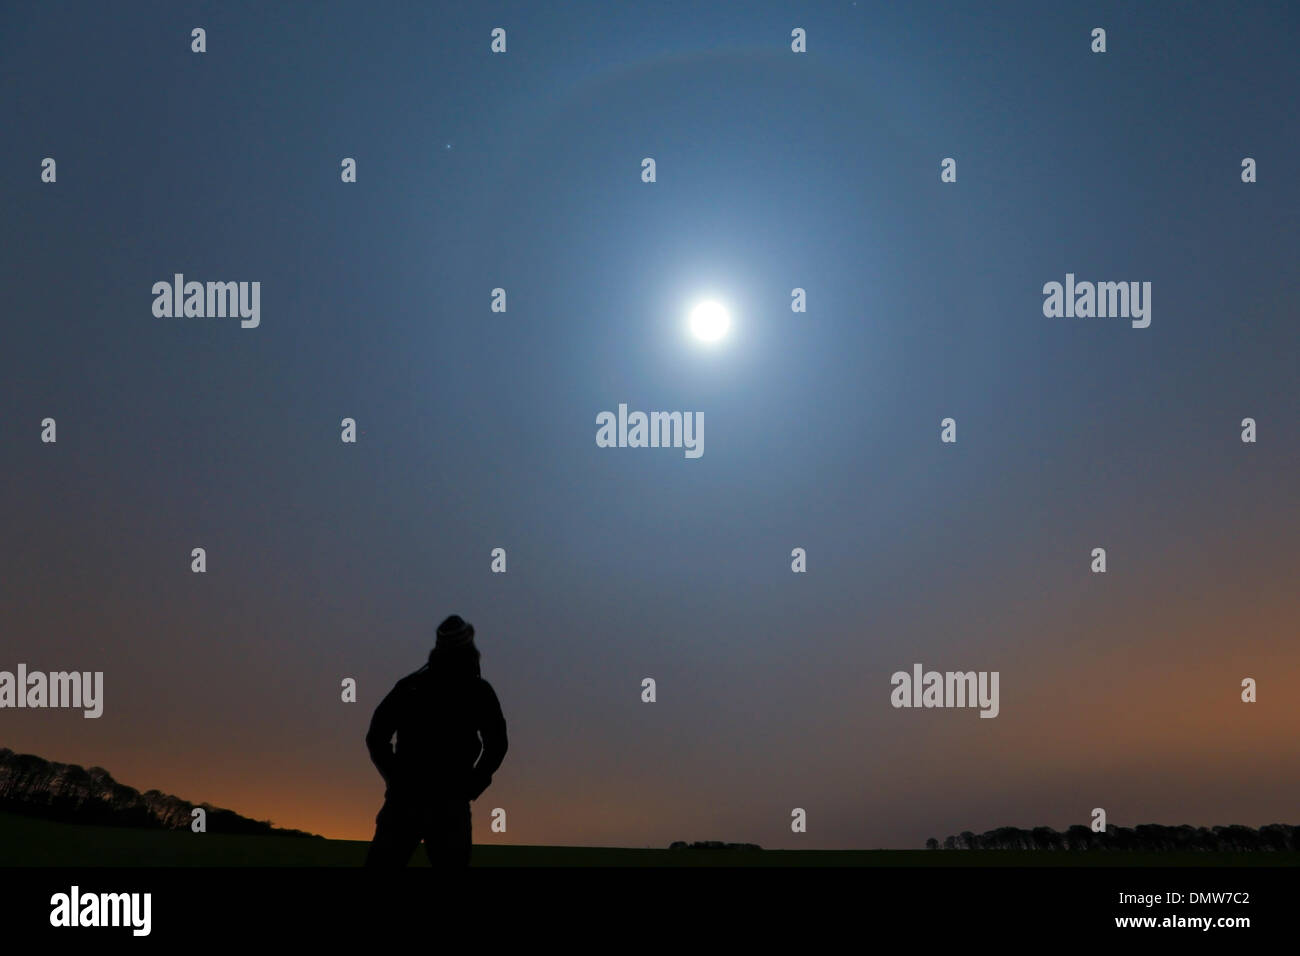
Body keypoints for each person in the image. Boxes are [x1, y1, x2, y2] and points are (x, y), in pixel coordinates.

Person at [364, 614, 507, 866]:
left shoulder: (410, 686)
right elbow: (497, 744)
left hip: (407, 801)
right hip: (448, 803)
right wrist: (473, 784)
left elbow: (376, 737)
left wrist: (396, 779)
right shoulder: (478, 691)